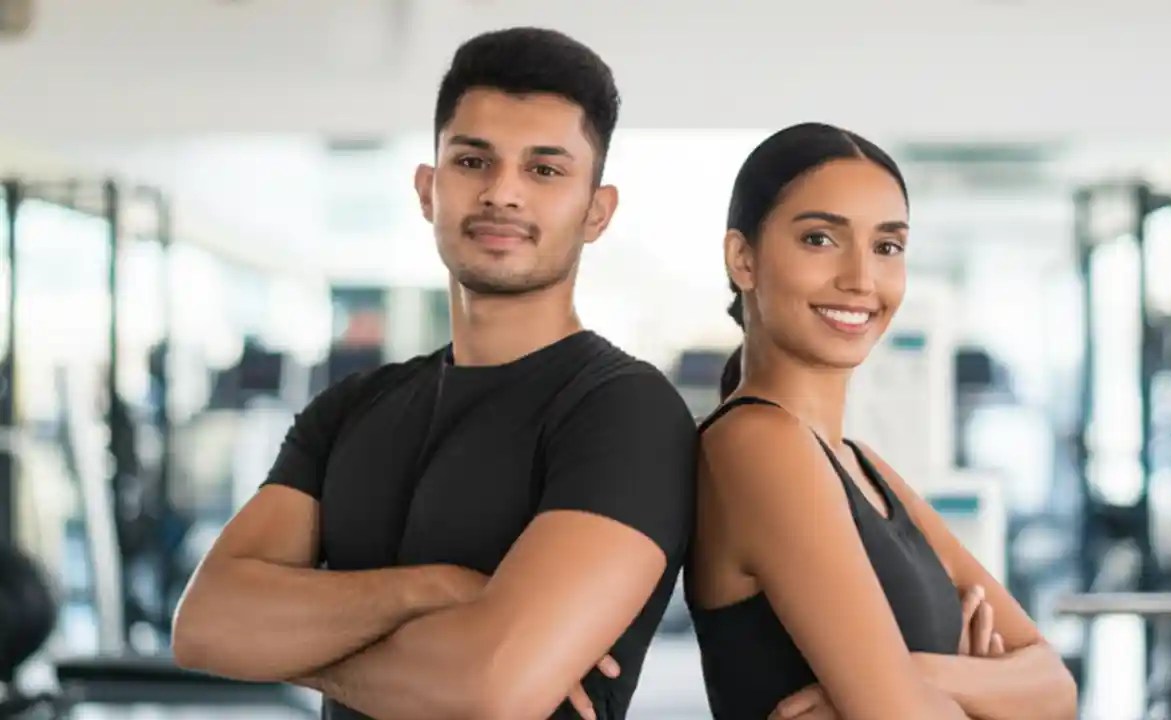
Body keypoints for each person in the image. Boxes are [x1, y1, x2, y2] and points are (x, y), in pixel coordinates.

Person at [171, 27, 698, 720]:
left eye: (545, 171)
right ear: (428, 189)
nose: (502, 193)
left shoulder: (627, 412)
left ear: (596, 212)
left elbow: (488, 690)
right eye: (473, 161)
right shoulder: (350, 409)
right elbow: (205, 624)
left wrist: (280, 647)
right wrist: (432, 589)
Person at [685, 123, 1078, 719]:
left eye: (887, 247)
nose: (861, 279)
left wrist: (921, 675)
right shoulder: (758, 443)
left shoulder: (860, 463)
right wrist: (982, 689)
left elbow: (1056, 689)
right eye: (820, 239)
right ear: (743, 258)